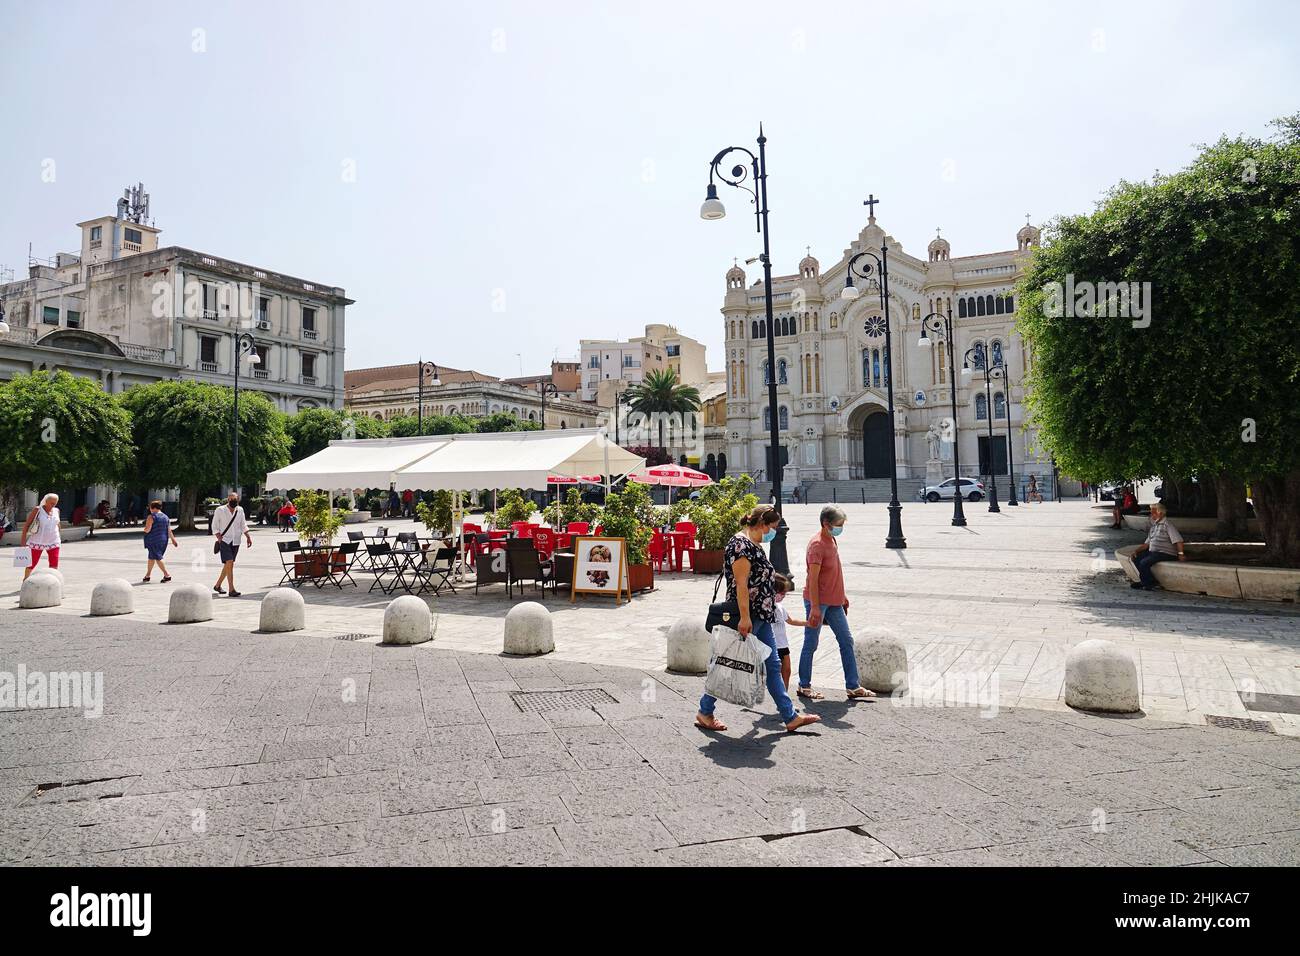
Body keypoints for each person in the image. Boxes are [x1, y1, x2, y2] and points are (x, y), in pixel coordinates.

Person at [695, 505, 821, 734]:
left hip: (762, 616)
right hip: (749, 616)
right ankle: (705, 711)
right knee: (728, 663)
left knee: (772, 665)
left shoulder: (753, 545)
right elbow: (741, 584)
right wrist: (744, 618)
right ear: (762, 524)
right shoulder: (741, 545)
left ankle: (790, 716)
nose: (772, 532)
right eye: (772, 528)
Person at [799, 505, 875, 702]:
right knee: (811, 643)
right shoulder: (816, 545)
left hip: (834, 601)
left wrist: (843, 596)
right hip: (818, 601)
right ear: (826, 524)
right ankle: (803, 685)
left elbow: (835, 572)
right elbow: (812, 579)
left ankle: (853, 686)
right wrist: (814, 607)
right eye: (838, 525)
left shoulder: (831, 539)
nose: (841, 528)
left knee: (846, 640)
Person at [1131, 502, 1186, 590]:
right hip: (1154, 552)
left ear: (1160, 513)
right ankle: (1145, 581)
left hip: (1165, 553)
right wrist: (1136, 551)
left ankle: (1150, 583)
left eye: (1153, 512)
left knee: (1144, 562)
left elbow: (1178, 540)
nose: (1151, 514)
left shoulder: (1167, 525)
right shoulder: (1154, 526)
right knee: (1137, 558)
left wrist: (1181, 554)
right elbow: (1146, 544)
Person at [771, 573, 808, 691]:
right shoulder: (765, 608)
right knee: (770, 672)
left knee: (787, 670)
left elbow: (790, 621)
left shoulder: (780, 607)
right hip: (772, 645)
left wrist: (807, 623)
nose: (784, 596)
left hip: (783, 645)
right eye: (782, 593)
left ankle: (784, 695)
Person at [212, 492, 253, 597]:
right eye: (230, 499)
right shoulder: (220, 510)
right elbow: (215, 524)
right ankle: (231, 589)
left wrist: (248, 536)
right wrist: (219, 537)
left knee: (228, 564)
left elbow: (243, 524)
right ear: (227, 500)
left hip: (236, 540)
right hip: (225, 540)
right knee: (230, 562)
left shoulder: (240, 510)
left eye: (234, 499)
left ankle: (217, 585)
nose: (232, 501)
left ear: (238, 500)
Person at [20, 493, 62, 580]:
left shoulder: (56, 510)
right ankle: (26, 579)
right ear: (46, 501)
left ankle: (52, 581)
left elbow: (58, 524)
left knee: (54, 562)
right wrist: (23, 541)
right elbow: (26, 525)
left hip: (54, 541)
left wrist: (59, 535)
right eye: (51, 503)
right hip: (38, 541)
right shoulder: (38, 510)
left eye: (55, 503)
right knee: (32, 562)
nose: (53, 505)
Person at [142, 500, 178, 583]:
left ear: (153, 508)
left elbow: (148, 530)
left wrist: (144, 529)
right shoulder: (166, 517)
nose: (150, 509)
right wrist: (173, 539)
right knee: (151, 557)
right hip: (163, 539)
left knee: (158, 557)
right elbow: (169, 530)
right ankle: (147, 575)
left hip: (153, 540)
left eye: (150, 508)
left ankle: (167, 575)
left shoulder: (151, 517)